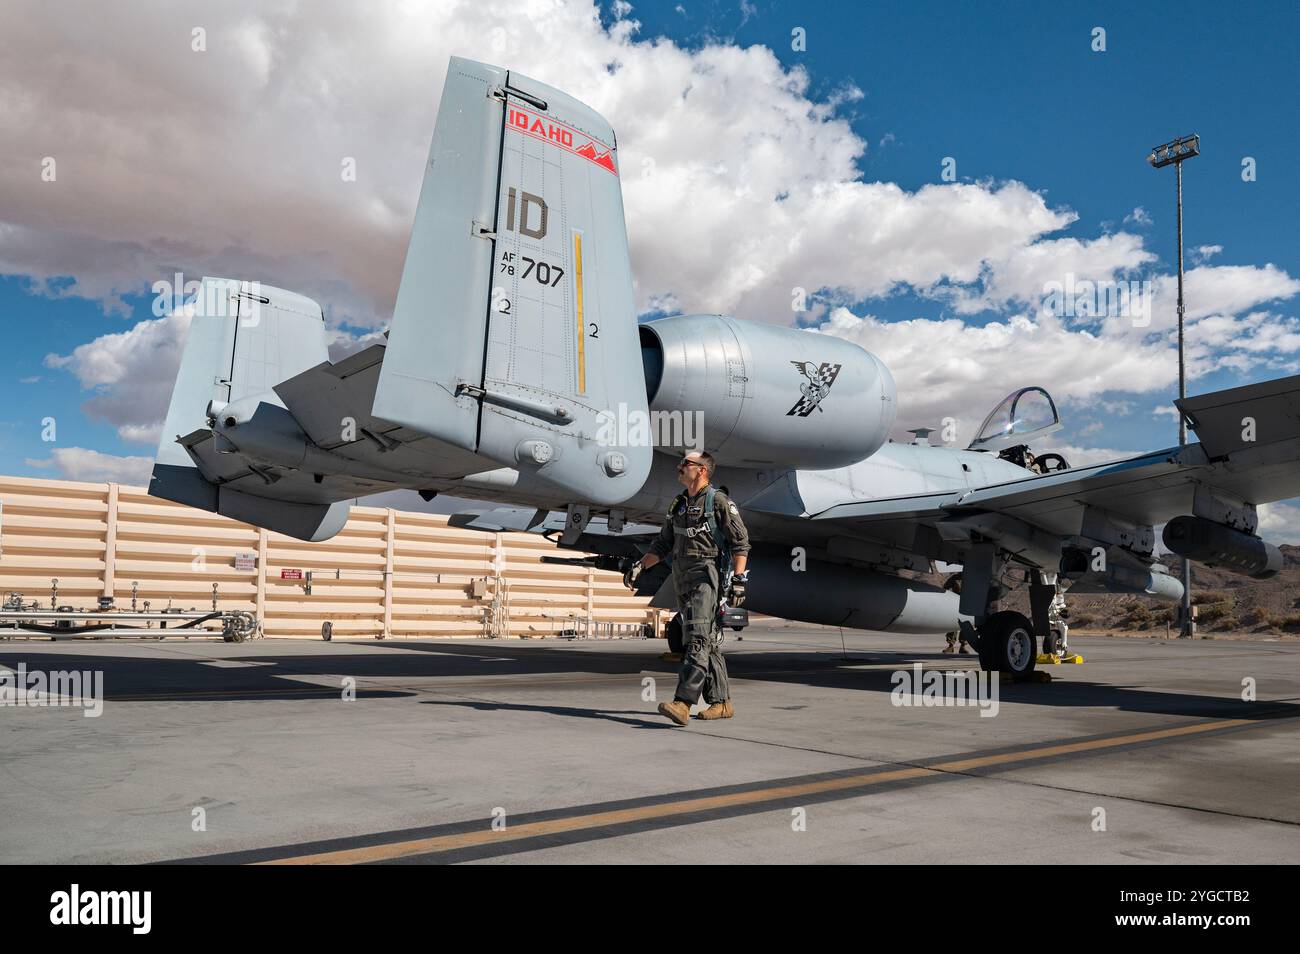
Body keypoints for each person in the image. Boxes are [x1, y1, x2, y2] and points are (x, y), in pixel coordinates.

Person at [624, 450, 750, 725]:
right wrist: (640, 565)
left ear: (702, 470)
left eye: (686, 464)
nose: (679, 467)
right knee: (708, 640)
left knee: (696, 639)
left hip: (706, 576)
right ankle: (721, 703)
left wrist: (739, 581)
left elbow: (741, 542)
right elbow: (662, 544)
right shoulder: (679, 504)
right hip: (682, 576)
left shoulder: (718, 502)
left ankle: (683, 702)